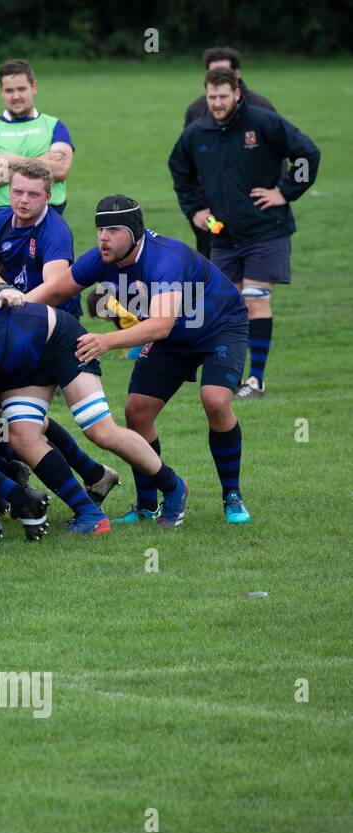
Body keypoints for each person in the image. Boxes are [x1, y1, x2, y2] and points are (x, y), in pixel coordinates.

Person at [29, 196, 252, 524]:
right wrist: (12, 301)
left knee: (215, 400)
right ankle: (147, 505)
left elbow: (160, 324)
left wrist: (106, 340)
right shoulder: (100, 259)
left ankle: (232, 495)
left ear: (134, 233)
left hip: (219, 329)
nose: (103, 237)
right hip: (174, 337)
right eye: (100, 229)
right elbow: (56, 291)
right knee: (137, 411)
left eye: (114, 230)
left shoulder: (164, 259)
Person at [0, 286, 187, 534]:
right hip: (18, 368)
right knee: (22, 437)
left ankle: (173, 486)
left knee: (100, 431)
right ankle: (89, 514)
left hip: (57, 342)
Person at [0, 159, 120, 503]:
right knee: (4, 408)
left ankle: (15, 471)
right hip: (14, 328)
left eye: (32, 194)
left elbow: (54, 289)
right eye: (17, 191)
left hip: (50, 334)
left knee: (11, 412)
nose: (23, 200)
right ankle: (92, 473)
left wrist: (13, 301)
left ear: (48, 196)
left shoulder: (54, 231)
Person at [169, 66, 320, 401]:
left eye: (224, 96)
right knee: (225, 305)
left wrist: (285, 191)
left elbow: (308, 153)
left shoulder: (263, 122)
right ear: (205, 96)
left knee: (254, 298)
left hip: (267, 230)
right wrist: (195, 211)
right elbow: (179, 170)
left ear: (237, 94)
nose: (218, 103)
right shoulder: (196, 133)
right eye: (212, 97)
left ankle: (257, 380)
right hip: (222, 235)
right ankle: (229, 379)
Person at [182, 47, 277, 259]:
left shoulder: (261, 108)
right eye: (212, 72)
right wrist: (196, 207)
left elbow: (279, 155)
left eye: (225, 71)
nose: (218, 77)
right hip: (210, 204)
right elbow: (186, 162)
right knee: (212, 265)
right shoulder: (196, 110)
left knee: (255, 269)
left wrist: (279, 191)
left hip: (253, 207)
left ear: (238, 73)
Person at [0, 59, 73, 257]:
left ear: (33, 87)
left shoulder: (54, 126)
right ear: (1, 91)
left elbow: (60, 170)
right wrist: (42, 162)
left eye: (21, 89)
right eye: (9, 91)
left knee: (52, 287)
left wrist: (10, 158)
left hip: (47, 226)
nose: (16, 96)